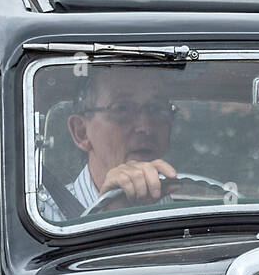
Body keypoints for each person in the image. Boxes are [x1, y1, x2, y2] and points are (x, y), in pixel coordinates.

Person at [39, 66, 179, 221]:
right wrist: (108, 213)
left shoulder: (185, 212)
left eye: (156, 109)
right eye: (122, 108)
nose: (145, 127)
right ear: (82, 132)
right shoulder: (42, 219)